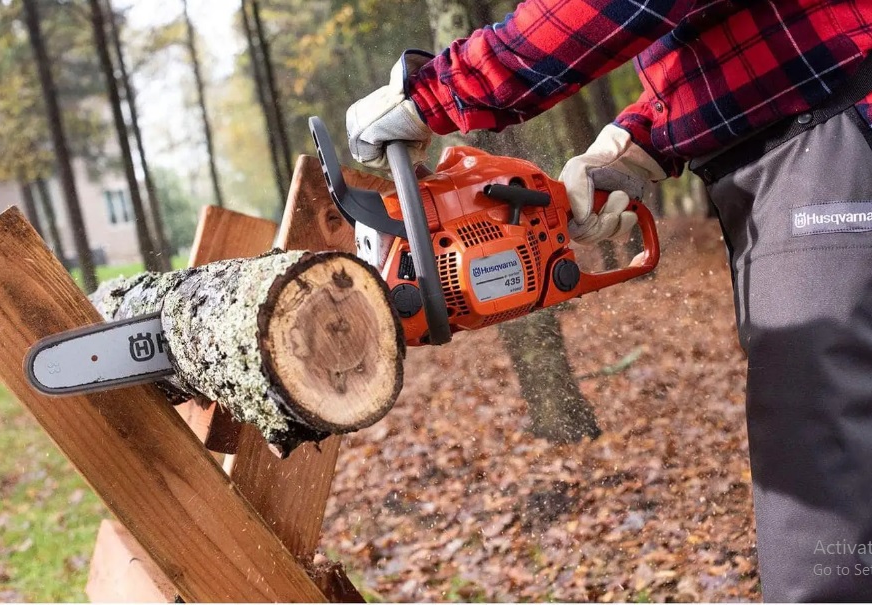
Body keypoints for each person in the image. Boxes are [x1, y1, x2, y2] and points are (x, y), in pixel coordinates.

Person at [345, 1, 872, 601]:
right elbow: (733, 31)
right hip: (807, 142)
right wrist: (638, 142)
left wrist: (440, 90)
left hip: (839, 135)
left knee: (826, 485)